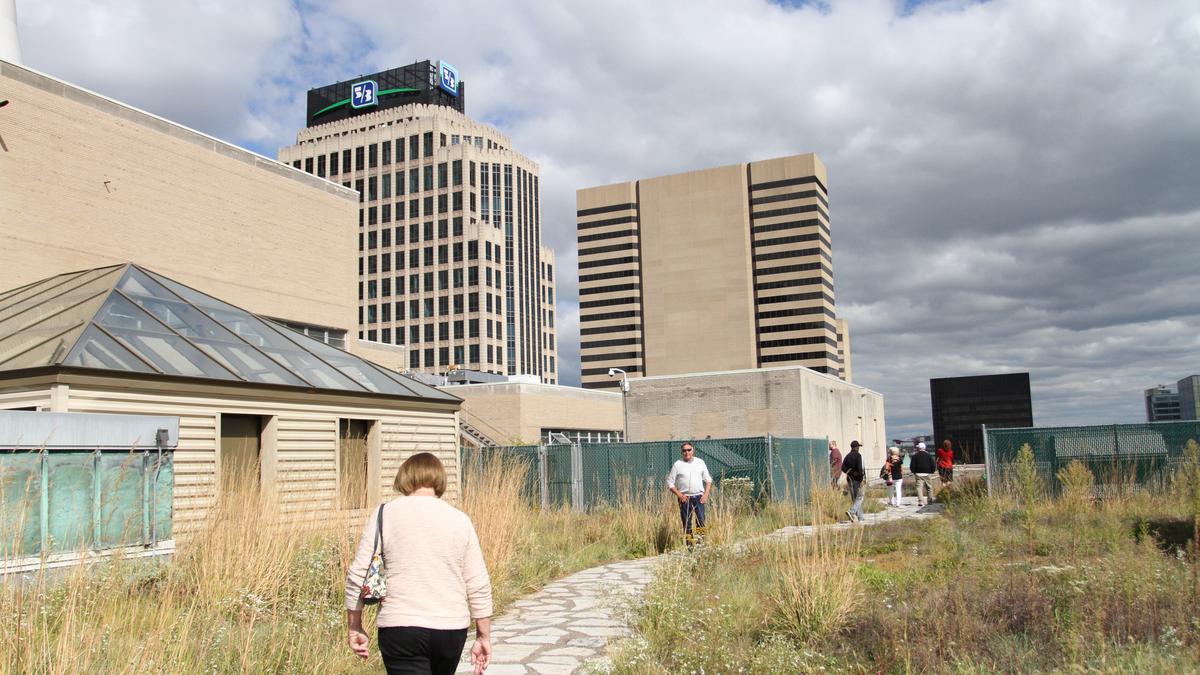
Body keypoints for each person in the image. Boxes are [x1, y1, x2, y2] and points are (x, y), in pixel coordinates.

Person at [345, 452, 493, 675]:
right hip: (450, 628)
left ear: (405, 477)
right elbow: (477, 582)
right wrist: (483, 636)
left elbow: (358, 574)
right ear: (439, 480)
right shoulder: (459, 519)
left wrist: (354, 625)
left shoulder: (384, 515)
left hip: (400, 627)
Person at [666, 442, 713, 547]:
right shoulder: (677, 464)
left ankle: (701, 546)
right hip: (685, 498)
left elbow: (708, 480)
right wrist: (679, 495)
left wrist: (705, 495)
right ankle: (690, 547)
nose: (686, 452)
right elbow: (670, 483)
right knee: (687, 523)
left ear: (693, 450)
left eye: (689, 450)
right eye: (684, 450)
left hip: (699, 497)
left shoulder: (700, 462)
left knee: (701, 522)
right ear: (681, 452)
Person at [840, 440, 866, 522]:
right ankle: (851, 511)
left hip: (849, 480)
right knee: (860, 497)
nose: (859, 448)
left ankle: (860, 517)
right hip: (857, 480)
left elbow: (843, 468)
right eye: (858, 447)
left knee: (855, 499)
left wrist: (850, 472)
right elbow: (860, 469)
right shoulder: (858, 456)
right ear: (856, 447)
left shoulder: (847, 456)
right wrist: (861, 479)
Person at [909, 442, 936, 506]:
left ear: (919, 448)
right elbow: (933, 464)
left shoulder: (915, 456)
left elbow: (912, 466)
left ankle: (920, 501)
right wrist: (932, 471)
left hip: (918, 473)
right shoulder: (928, 455)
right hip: (927, 473)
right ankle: (930, 500)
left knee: (919, 488)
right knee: (929, 487)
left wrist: (914, 471)